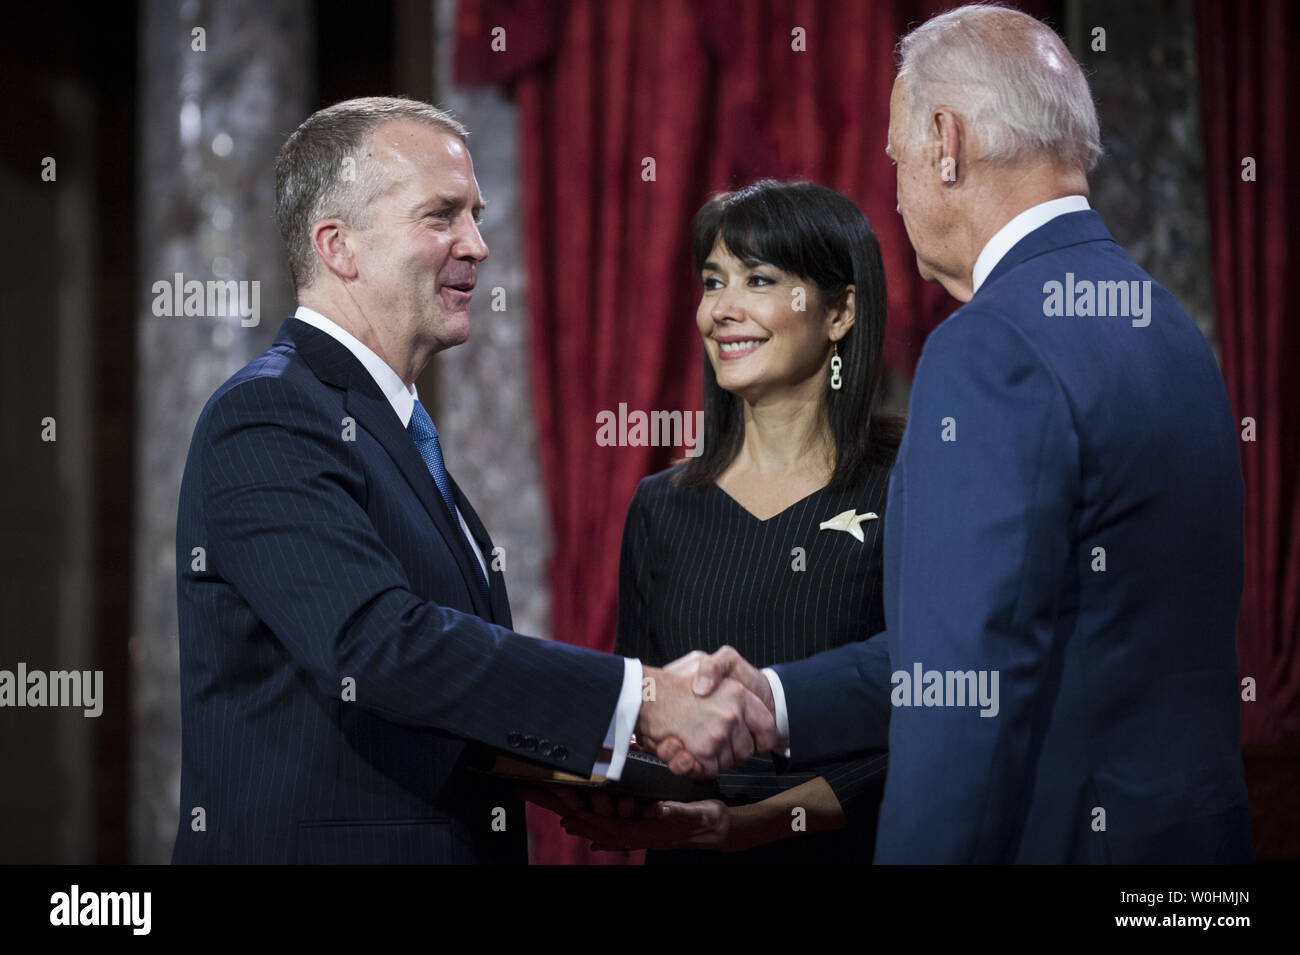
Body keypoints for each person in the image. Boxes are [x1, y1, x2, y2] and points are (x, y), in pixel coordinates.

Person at [673, 4, 1253, 864]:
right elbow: (1008, 629)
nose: (897, 188)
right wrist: (777, 697)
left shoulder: (989, 348)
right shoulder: (1163, 323)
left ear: (946, 141)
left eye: (897, 156)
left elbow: (966, 702)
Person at [171, 96, 775, 864]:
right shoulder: (268, 414)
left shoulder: (389, 427)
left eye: (477, 215)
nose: (479, 245)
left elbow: (430, 699)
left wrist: (603, 771)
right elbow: (376, 645)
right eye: (442, 216)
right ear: (338, 246)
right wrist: (643, 697)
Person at [554, 181, 899, 861]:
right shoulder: (661, 505)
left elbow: (933, 717)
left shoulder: (910, 486)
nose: (722, 310)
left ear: (840, 312)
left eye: (759, 279)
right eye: (714, 282)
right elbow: (644, 723)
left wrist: (751, 823)